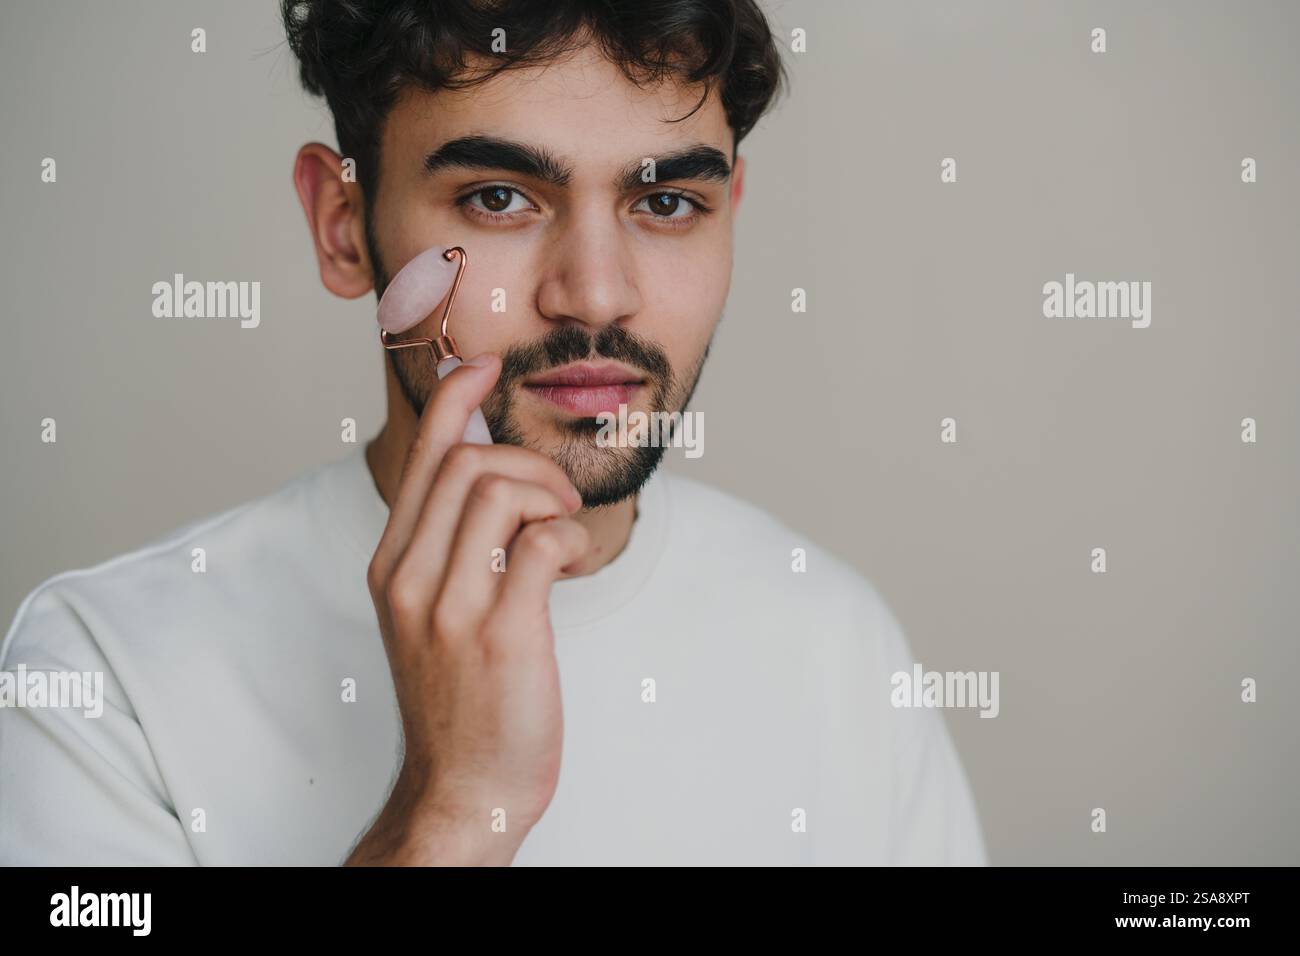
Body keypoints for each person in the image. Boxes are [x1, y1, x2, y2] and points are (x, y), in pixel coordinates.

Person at [0, 0, 987, 866]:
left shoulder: (838, 642)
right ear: (344, 227)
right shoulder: (101, 677)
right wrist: (452, 816)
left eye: (667, 202)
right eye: (499, 198)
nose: (596, 292)